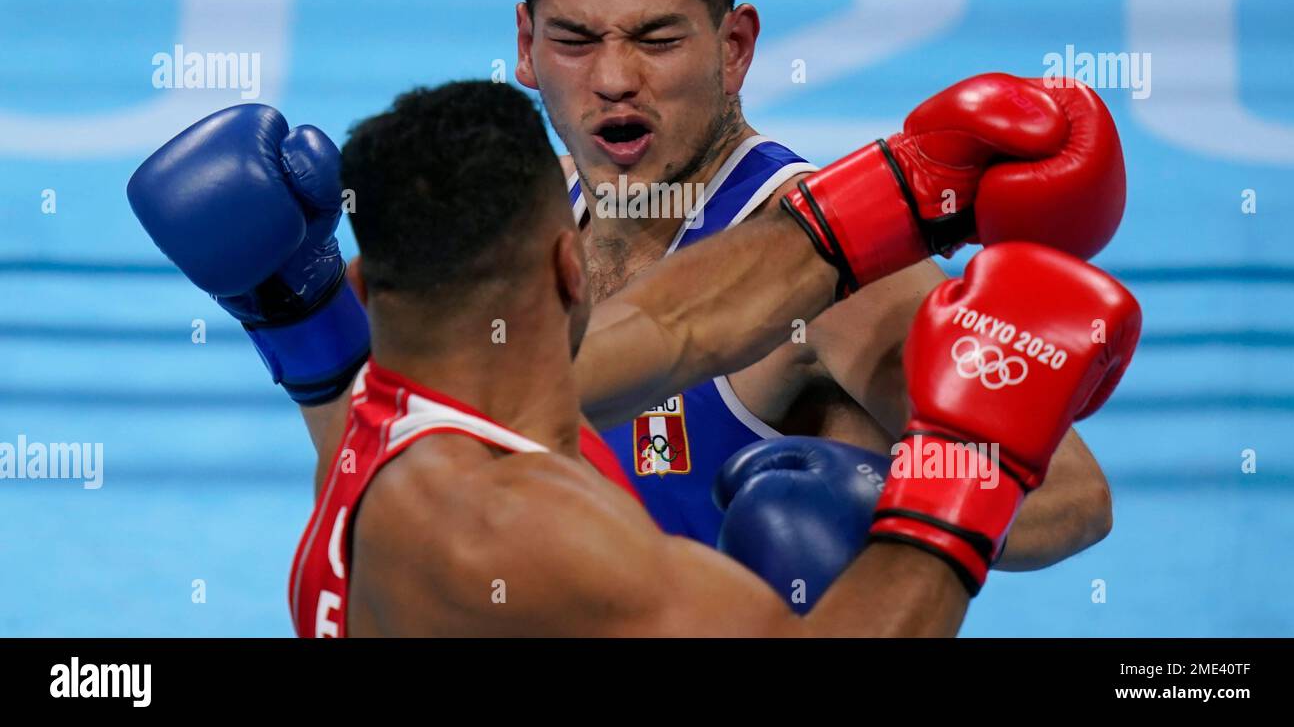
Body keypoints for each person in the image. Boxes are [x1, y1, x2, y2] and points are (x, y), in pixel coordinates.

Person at [280, 83, 1138, 636]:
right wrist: (953, 484)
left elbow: (676, 320)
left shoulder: (385, 423)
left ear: (363, 284)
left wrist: (907, 189)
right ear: (570, 269)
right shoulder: (525, 539)